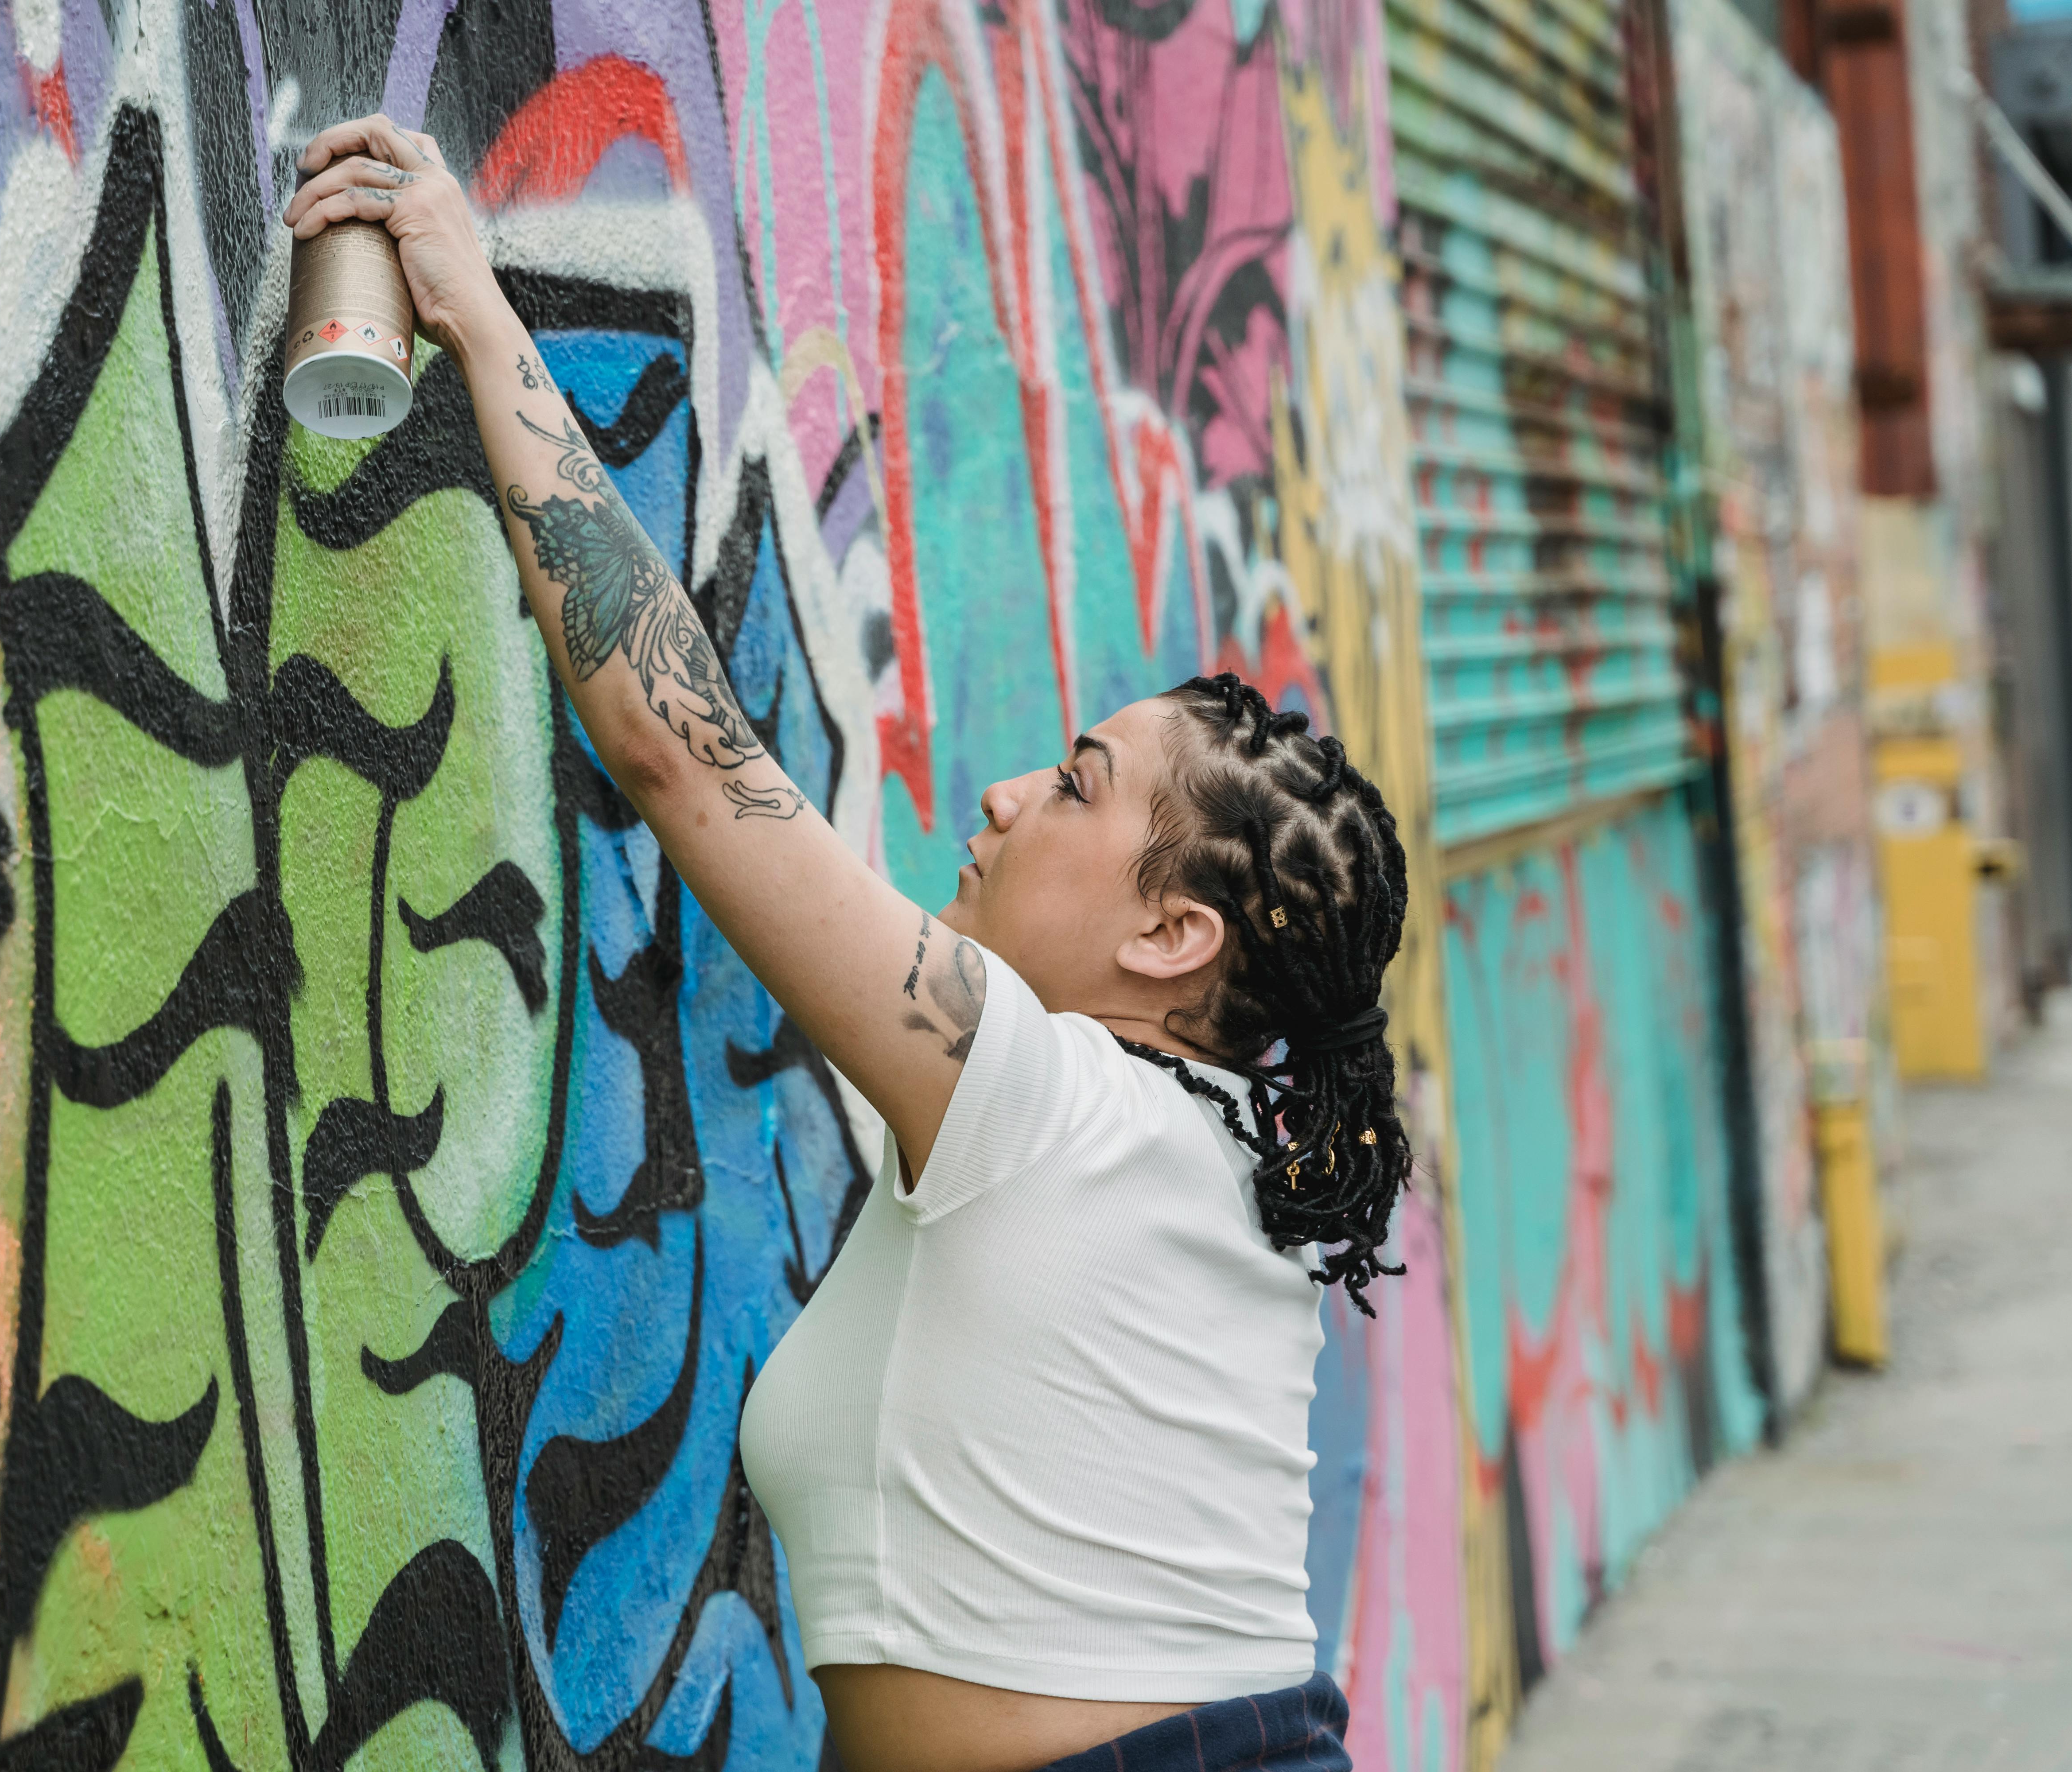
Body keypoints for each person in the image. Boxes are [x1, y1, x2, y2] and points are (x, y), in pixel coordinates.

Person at [286, 118, 1410, 1772]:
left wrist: (470, 300)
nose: (1015, 793)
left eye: (1081, 788)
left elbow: (686, 758)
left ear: (1174, 934)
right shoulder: (1212, 1148)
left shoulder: (1049, 1102)